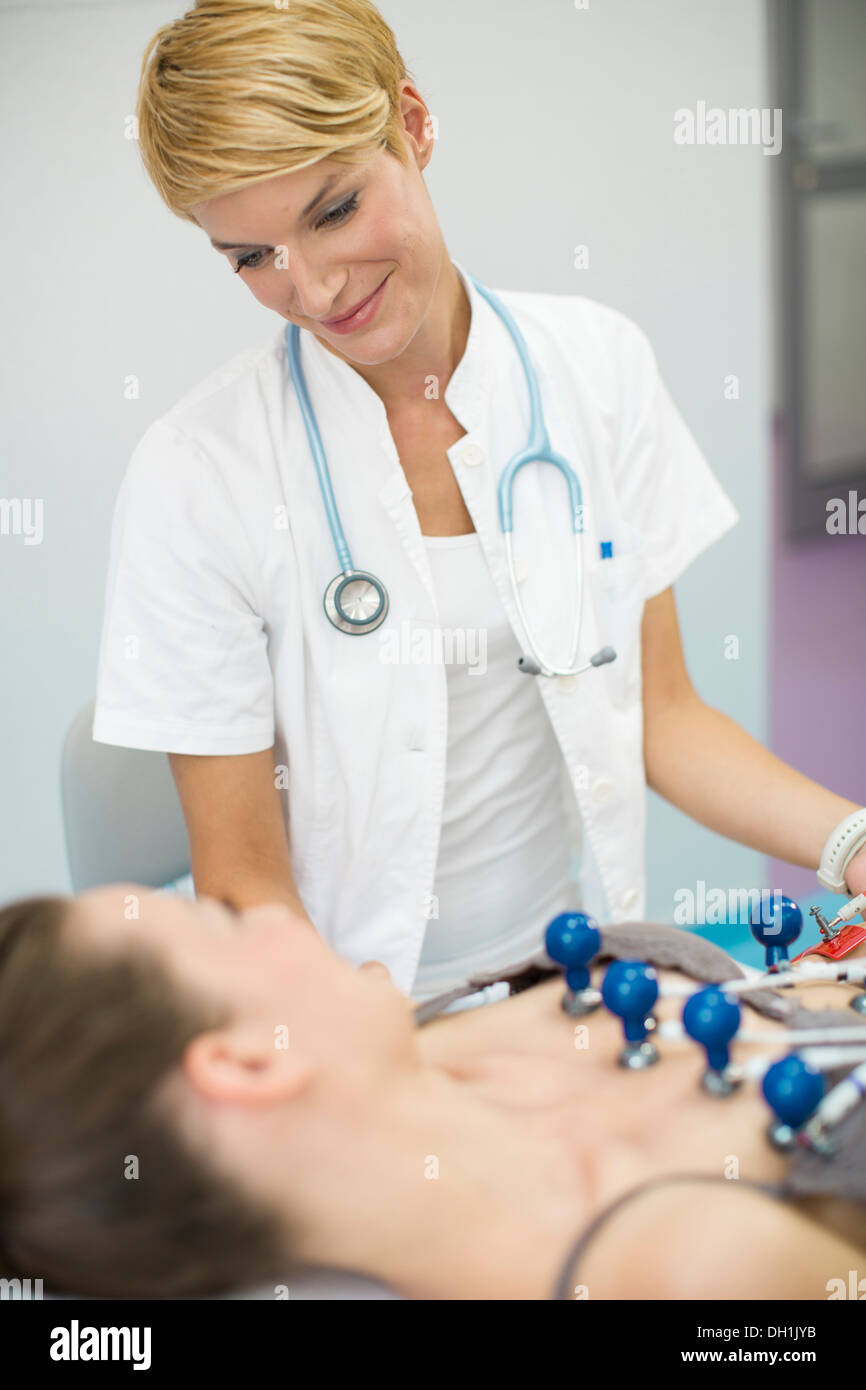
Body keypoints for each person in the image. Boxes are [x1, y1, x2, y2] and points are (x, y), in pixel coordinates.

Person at [92, 0, 866, 999]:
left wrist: (851, 840)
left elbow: (662, 718)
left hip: (567, 978)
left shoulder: (597, 368)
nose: (316, 288)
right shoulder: (194, 473)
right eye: (252, 258)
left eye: (331, 211)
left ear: (410, 122)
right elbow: (244, 887)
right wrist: (383, 1067)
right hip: (343, 1015)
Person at [1, 883, 865, 1300]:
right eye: (220, 921)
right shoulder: (692, 1269)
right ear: (250, 1065)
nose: (268, 910)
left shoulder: (428, 1048)